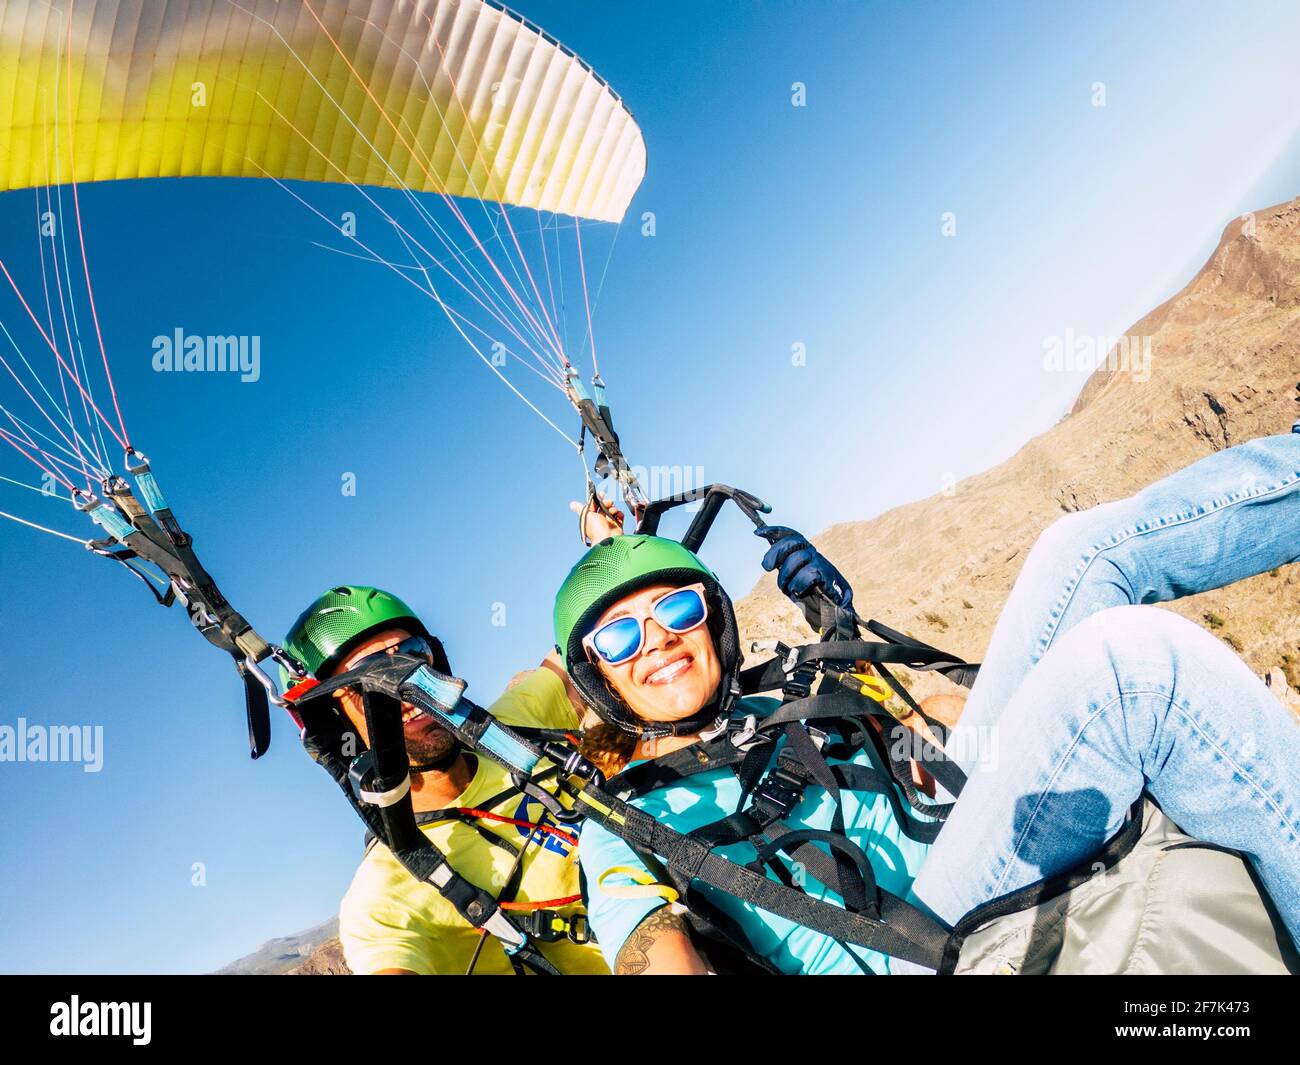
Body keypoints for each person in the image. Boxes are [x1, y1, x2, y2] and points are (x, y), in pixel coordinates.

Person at [560, 425, 1300, 974]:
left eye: (678, 610)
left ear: (715, 619)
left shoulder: (782, 706)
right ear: (598, 678)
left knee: (1074, 553)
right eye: (619, 638)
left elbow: (935, 752)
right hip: (915, 952)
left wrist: (846, 635)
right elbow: (654, 955)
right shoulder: (624, 825)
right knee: (1133, 671)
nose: (655, 639)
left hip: (962, 842)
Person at [281, 584, 610, 975]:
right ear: (336, 724)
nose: (407, 689)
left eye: (413, 656)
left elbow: (587, 644)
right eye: (370, 683)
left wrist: (605, 541)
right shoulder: (383, 896)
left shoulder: (510, 730)